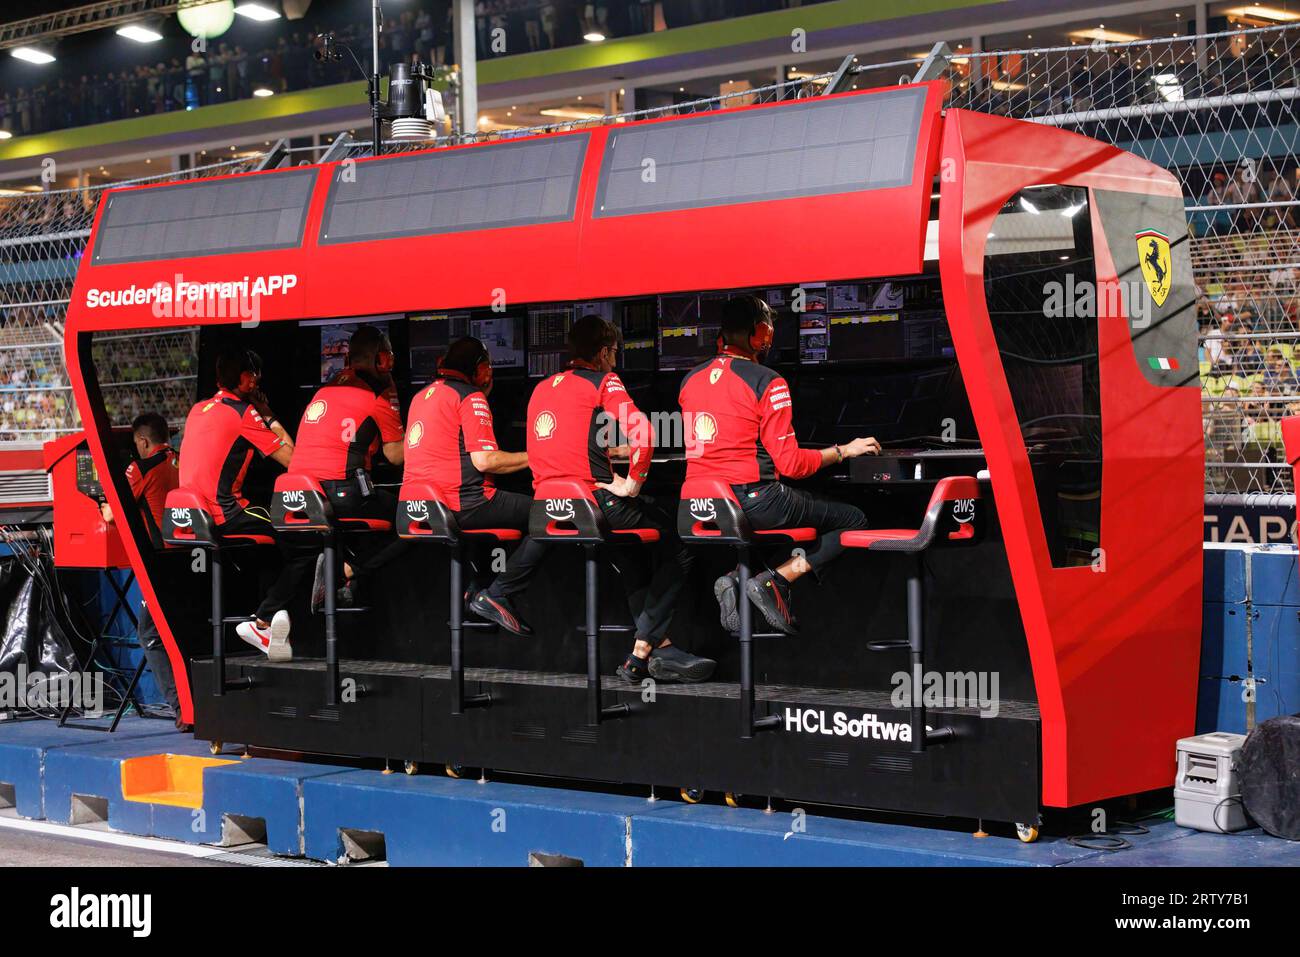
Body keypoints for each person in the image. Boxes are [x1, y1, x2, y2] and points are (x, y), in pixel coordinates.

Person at [525, 315, 715, 684]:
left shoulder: (544, 387)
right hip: (598, 503)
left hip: (552, 506)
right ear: (602, 353)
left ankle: (659, 651)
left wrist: (606, 457)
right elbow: (644, 433)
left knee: (630, 559)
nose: (615, 361)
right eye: (614, 353)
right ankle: (641, 649)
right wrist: (632, 484)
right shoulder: (604, 381)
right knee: (683, 540)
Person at [678, 295, 880, 635]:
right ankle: (776, 579)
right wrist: (843, 451)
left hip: (699, 506)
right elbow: (792, 465)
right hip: (753, 500)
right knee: (852, 519)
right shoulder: (768, 381)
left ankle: (735, 579)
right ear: (760, 333)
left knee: (769, 531)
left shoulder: (689, 381)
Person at [255, 324, 406, 636]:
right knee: (412, 515)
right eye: (389, 359)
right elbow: (396, 456)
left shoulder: (325, 388)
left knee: (310, 553)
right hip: (337, 494)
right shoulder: (379, 394)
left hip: (293, 497)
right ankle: (346, 571)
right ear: (380, 361)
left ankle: (265, 618)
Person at [401, 336, 541, 635]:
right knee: (552, 513)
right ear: (483, 369)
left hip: (420, 507)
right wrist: (540, 455)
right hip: (463, 505)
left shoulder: (420, 396)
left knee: (499, 517)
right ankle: (497, 593)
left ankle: (475, 592)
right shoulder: (470, 397)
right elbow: (486, 461)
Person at [179, 349, 295, 658]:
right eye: (254, 376)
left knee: (273, 540)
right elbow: (293, 460)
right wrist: (267, 413)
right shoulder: (244, 413)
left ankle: (267, 619)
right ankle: (264, 619)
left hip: (188, 516)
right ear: (247, 379)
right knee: (298, 533)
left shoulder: (197, 409)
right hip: (223, 514)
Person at [98, 413, 185, 729]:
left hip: (161, 562)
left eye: (135, 443)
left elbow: (111, 513)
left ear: (143, 442)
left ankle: (181, 707)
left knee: (149, 634)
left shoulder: (141, 468)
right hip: (192, 556)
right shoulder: (180, 459)